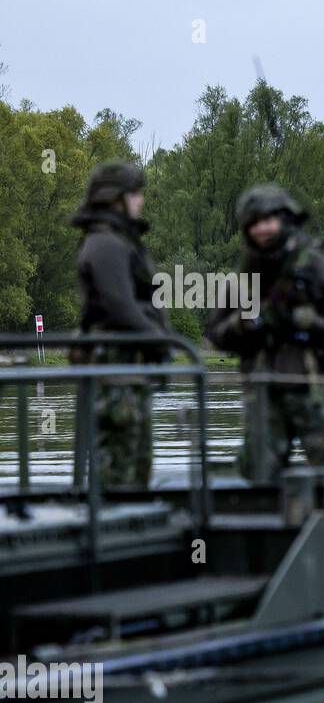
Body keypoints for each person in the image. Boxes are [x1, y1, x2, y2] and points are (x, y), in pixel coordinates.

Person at [206, 185, 324, 522]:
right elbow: (215, 334)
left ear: (284, 219)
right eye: (253, 223)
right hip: (264, 391)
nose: (260, 229)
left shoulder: (318, 269)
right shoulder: (243, 279)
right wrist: (245, 326)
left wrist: (312, 322)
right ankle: (269, 547)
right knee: (259, 472)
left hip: (313, 387)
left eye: (267, 220)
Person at [70, 160, 170, 487]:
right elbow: (120, 307)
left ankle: (130, 517)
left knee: (136, 463)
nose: (141, 200)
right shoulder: (106, 243)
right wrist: (158, 341)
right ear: (116, 198)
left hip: (128, 369)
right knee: (118, 465)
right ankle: (112, 523)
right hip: (115, 370)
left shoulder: (117, 239)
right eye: (135, 194)